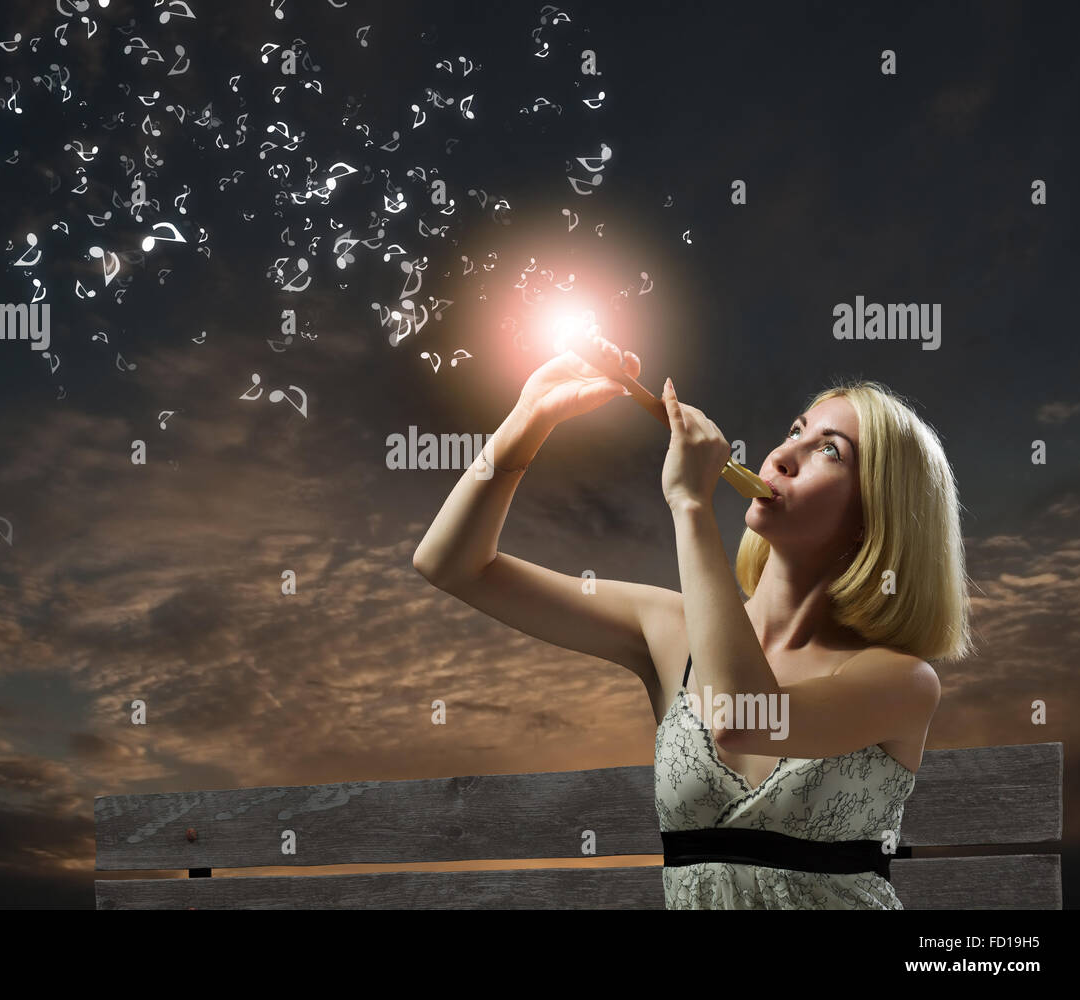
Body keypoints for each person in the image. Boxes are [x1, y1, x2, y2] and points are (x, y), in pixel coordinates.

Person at [412, 329, 973, 909]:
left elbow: (740, 716)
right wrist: (528, 419)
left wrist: (690, 505)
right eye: (795, 431)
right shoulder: (666, 628)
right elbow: (453, 564)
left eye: (829, 450)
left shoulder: (901, 682)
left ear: (876, 513)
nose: (781, 457)